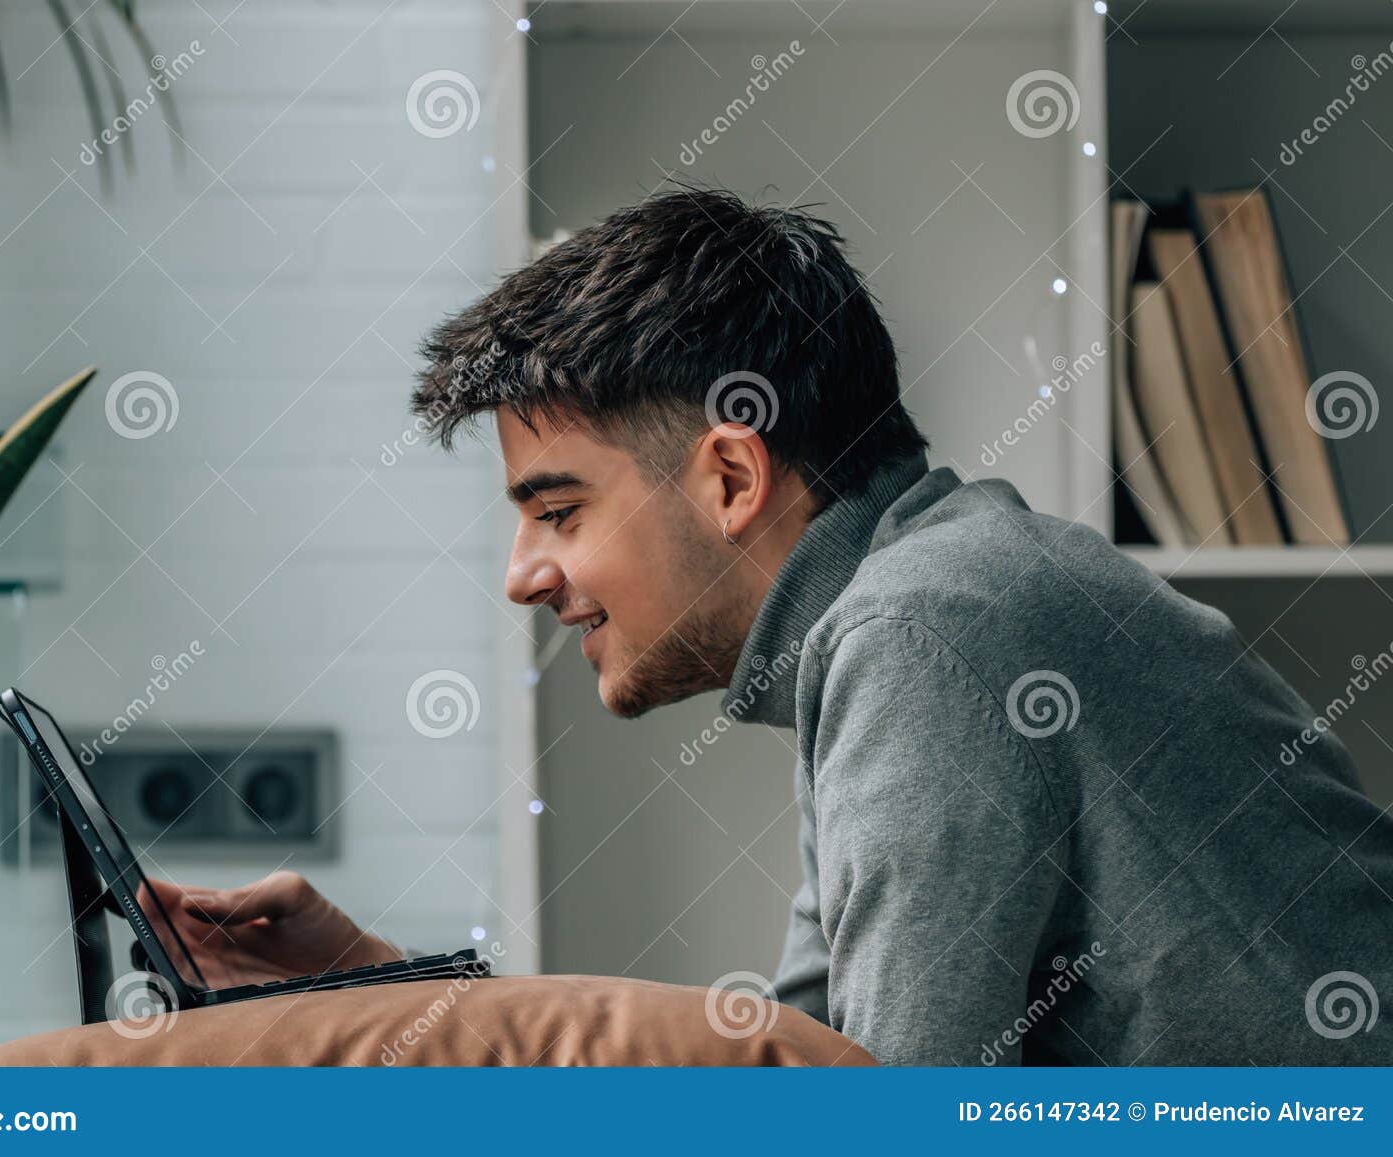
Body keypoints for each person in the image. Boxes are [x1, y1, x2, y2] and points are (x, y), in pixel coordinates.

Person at [148, 188, 1393, 1064]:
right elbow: (781, 1067)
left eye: (558, 509)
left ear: (732, 477)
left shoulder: (925, 627)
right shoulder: (914, 597)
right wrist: (379, 987)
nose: (525, 574)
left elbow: (868, 1113)